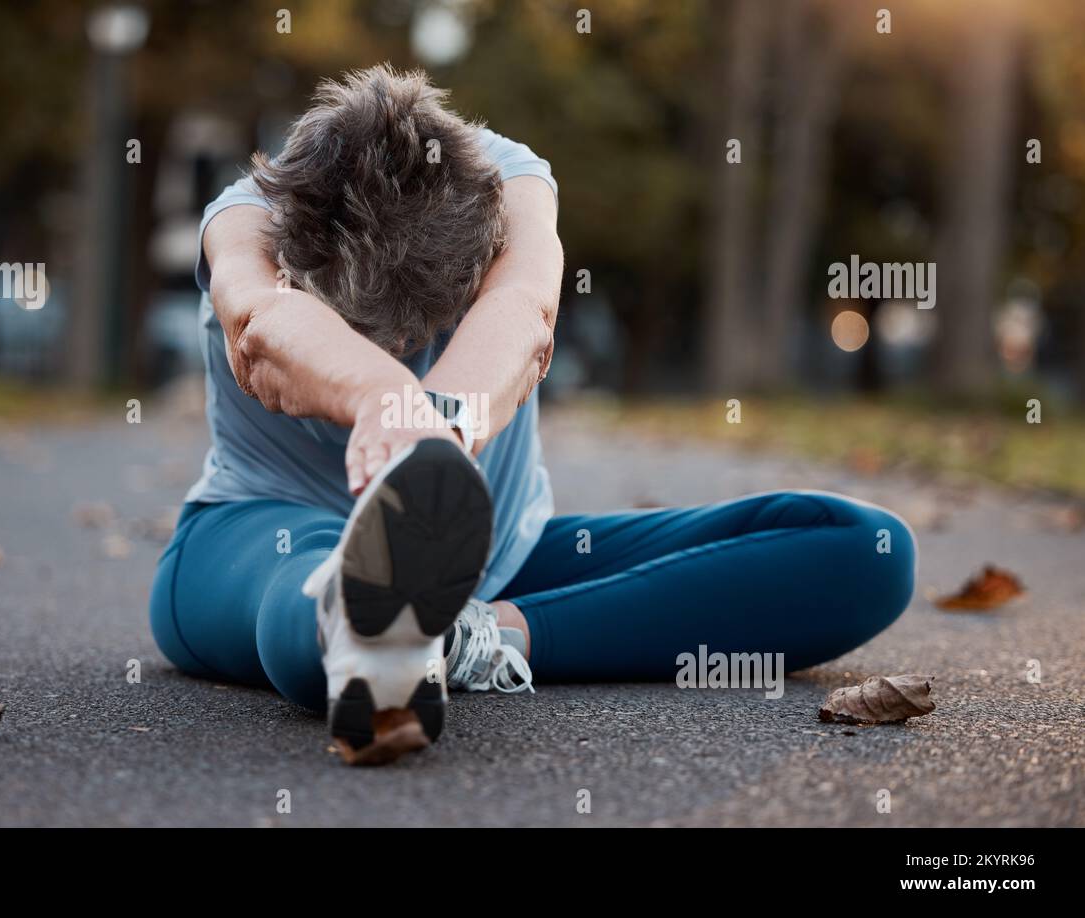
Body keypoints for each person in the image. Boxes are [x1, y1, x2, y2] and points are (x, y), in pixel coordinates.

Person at [150, 64, 916, 766]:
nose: (404, 350)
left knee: (870, 549)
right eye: (365, 332)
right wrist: (389, 404)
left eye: (419, 335)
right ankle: (364, 619)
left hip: (502, 556)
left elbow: (524, 309)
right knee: (317, 597)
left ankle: (475, 637)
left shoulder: (509, 184)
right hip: (258, 535)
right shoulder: (245, 217)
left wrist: (438, 444)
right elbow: (260, 321)